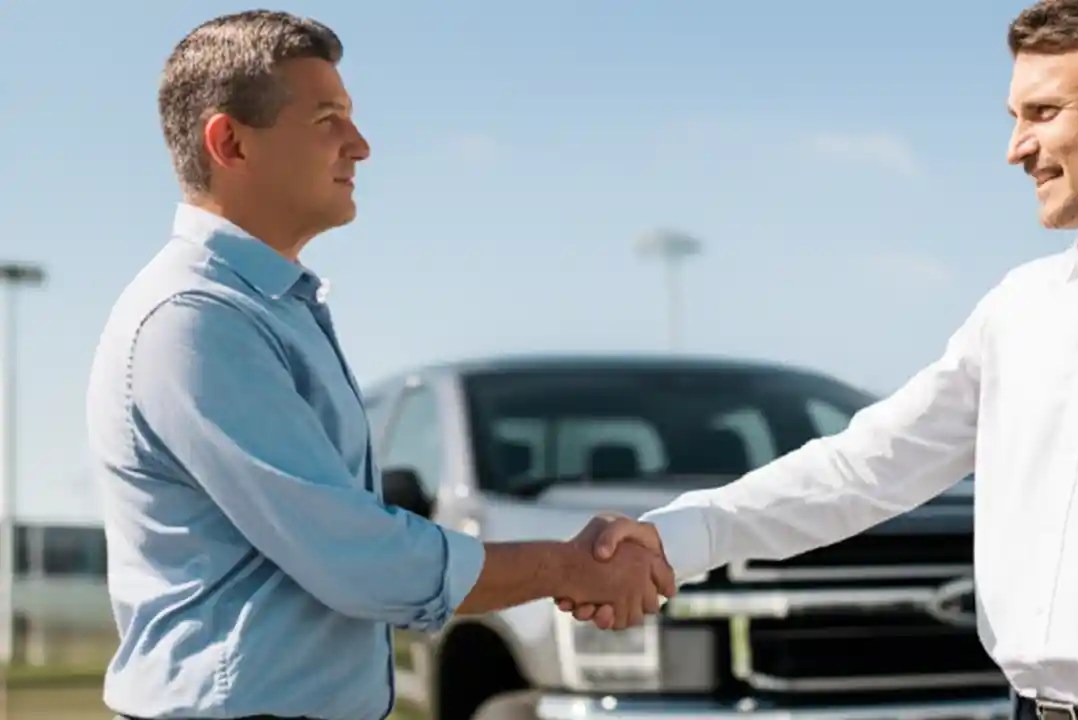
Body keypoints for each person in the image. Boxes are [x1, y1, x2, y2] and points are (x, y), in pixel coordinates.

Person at [562, 1, 1078, 717]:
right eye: (1014, 116)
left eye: (1044, 112)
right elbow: (867, 466)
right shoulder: (1021, 309)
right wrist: (681, 535)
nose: (1016, 147)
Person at [85, 11, 674, 720]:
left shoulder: (267, 309)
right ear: (230, 142)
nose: (359, 146)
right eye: (327, 118)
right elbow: (356, 558)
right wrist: (565, 566)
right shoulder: (195, 321)